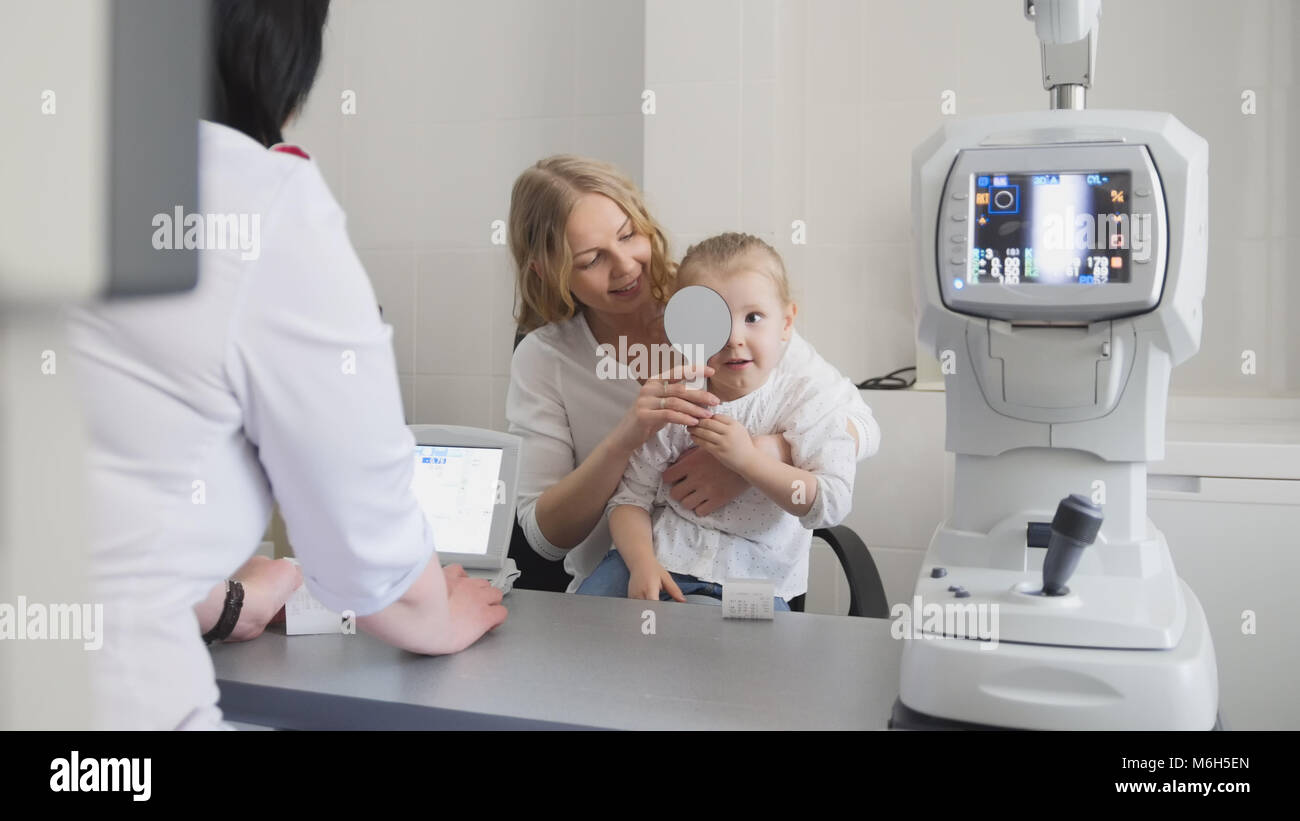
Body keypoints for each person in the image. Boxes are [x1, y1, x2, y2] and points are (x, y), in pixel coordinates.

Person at [66, 0, 504, 730]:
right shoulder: (254, 200)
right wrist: (431, 610)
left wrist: (228, 597)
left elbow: (83, 518)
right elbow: (377, 566)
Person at [506, 156, 880, 592]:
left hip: (743, 583)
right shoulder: (544, 358)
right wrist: (627, 436)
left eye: (629, 235)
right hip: (622, 580)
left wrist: (753, 456)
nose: (625, 265)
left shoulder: (717, 302)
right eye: (591, 260)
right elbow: (544, 540)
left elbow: (862, 428)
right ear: (546, 271)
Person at [584, 234, 857, 609]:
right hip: (659, 561)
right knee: (581, 627)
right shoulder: (676, 397)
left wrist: (748, 462)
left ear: (787, 321)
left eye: (753, 318)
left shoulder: (807, 400)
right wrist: (642, 562)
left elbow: (831, 502)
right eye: (713, 321)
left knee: (727, 654)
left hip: (751, 583)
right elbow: (629, 500)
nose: (733, 338)